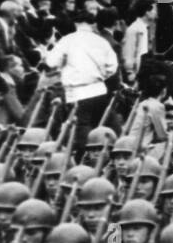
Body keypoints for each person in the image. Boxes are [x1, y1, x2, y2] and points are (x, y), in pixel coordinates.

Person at [43, 10, 118, 144]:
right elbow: (112, 66)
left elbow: (51, 62)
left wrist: (63, 66)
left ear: (75, 23)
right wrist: (100, 76)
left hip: (78, 91)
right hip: (99, 89)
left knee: (82, 127)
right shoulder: (101, 41)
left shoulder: (67, 40)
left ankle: (84, 156)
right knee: (99, 124)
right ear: (93, 24)